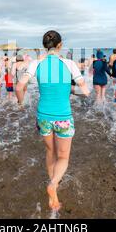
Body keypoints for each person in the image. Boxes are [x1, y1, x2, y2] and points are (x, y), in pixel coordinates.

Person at [16, 30, 90, 212]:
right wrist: (71, 90)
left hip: (43, 116)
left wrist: (21, 103)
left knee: (50, 151)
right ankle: (53, 183)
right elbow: (86, 92)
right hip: (63, 117)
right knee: (63, 156)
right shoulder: (69, 63)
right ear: (60, 45)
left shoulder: (36, 63)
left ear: (44, 46)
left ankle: (54, 190)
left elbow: (19, 86)